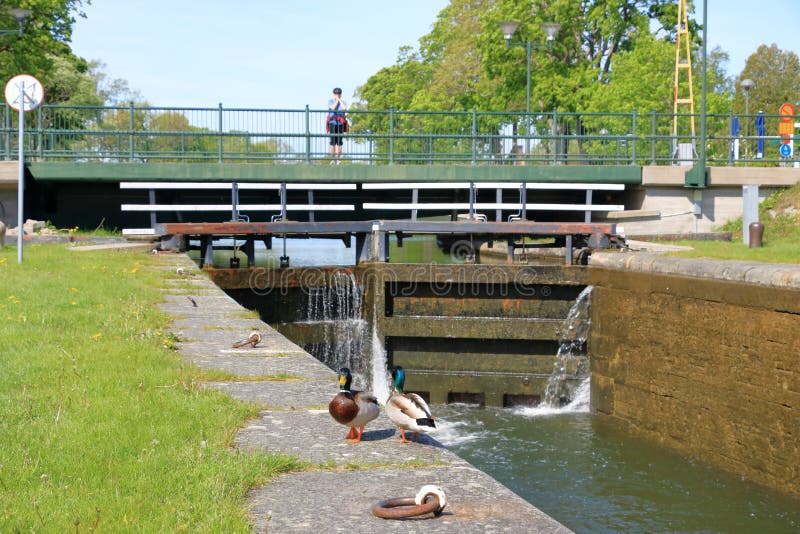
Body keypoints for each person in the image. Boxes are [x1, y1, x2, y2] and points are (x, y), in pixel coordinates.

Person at [326, 87, 348, 164]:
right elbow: (332, 108)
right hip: (332, 123)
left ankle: (338, 159)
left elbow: (344, 109)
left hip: (340, 123)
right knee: (332, 142)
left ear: (341, 94)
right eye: (336, 94)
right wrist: (336, 100)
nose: (337, 95)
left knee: (339, 142)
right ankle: (333, 159)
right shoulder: (330, 101)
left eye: (338, 94)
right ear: (333, 94)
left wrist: (339, 100)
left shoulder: (343, 102)